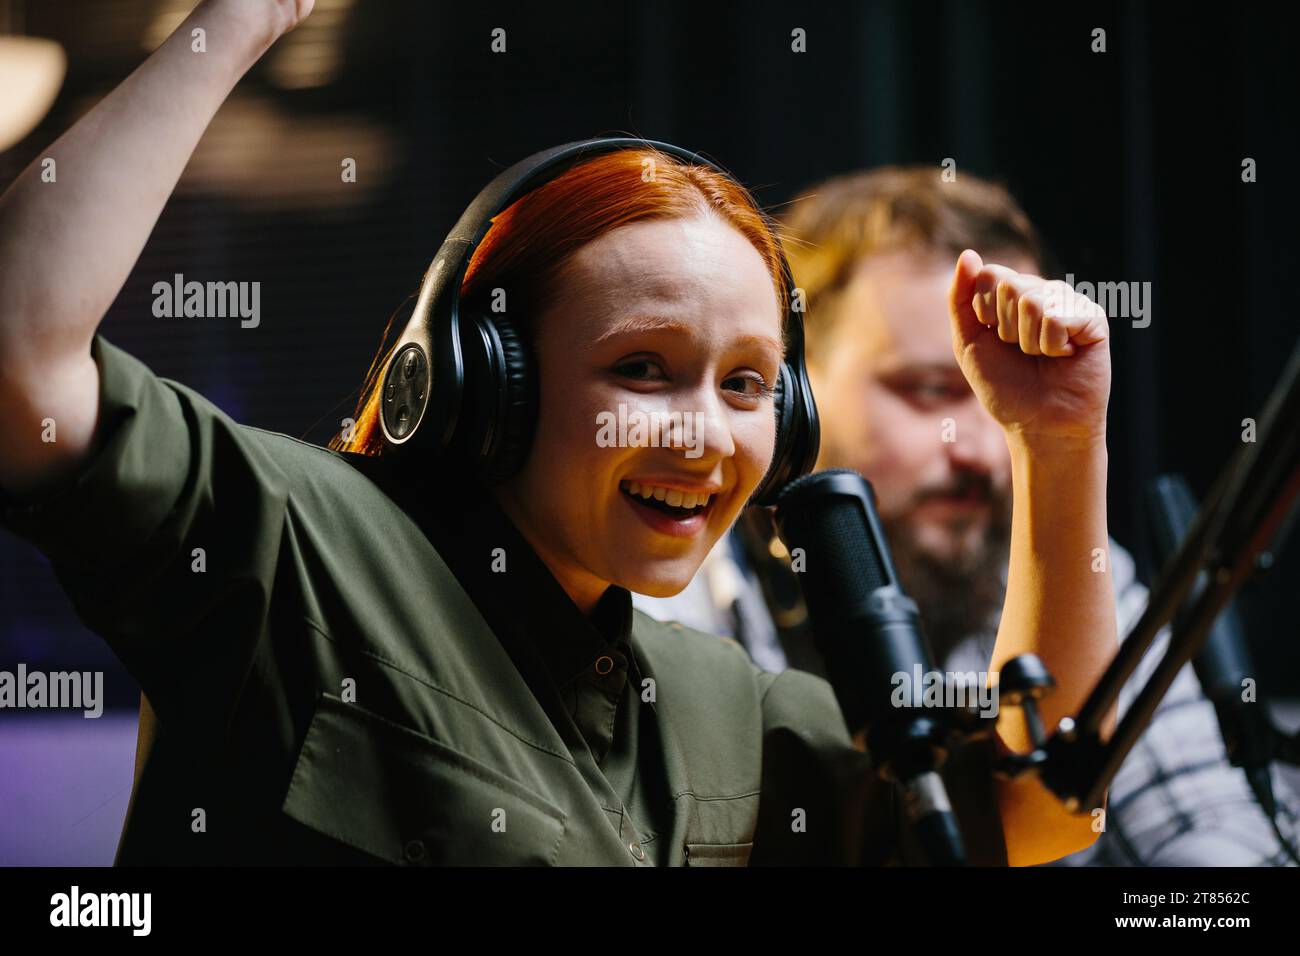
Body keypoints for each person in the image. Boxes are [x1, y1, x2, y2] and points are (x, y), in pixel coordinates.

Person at [0, 0, 1116, 866]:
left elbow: (1036, 808)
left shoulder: (725, 706)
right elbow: (19, 361)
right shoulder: (298, 540)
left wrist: (1058, 446)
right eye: (642, 368)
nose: (705, 438)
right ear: (487, 381)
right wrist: (244, 15)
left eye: (745, 385)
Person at [636, 166, 1300, 865]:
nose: (984, 447)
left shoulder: (1066, 573)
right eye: (929, 391)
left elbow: (1214, 832)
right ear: (792, 390)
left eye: (1003, 397)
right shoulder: (666, 595)